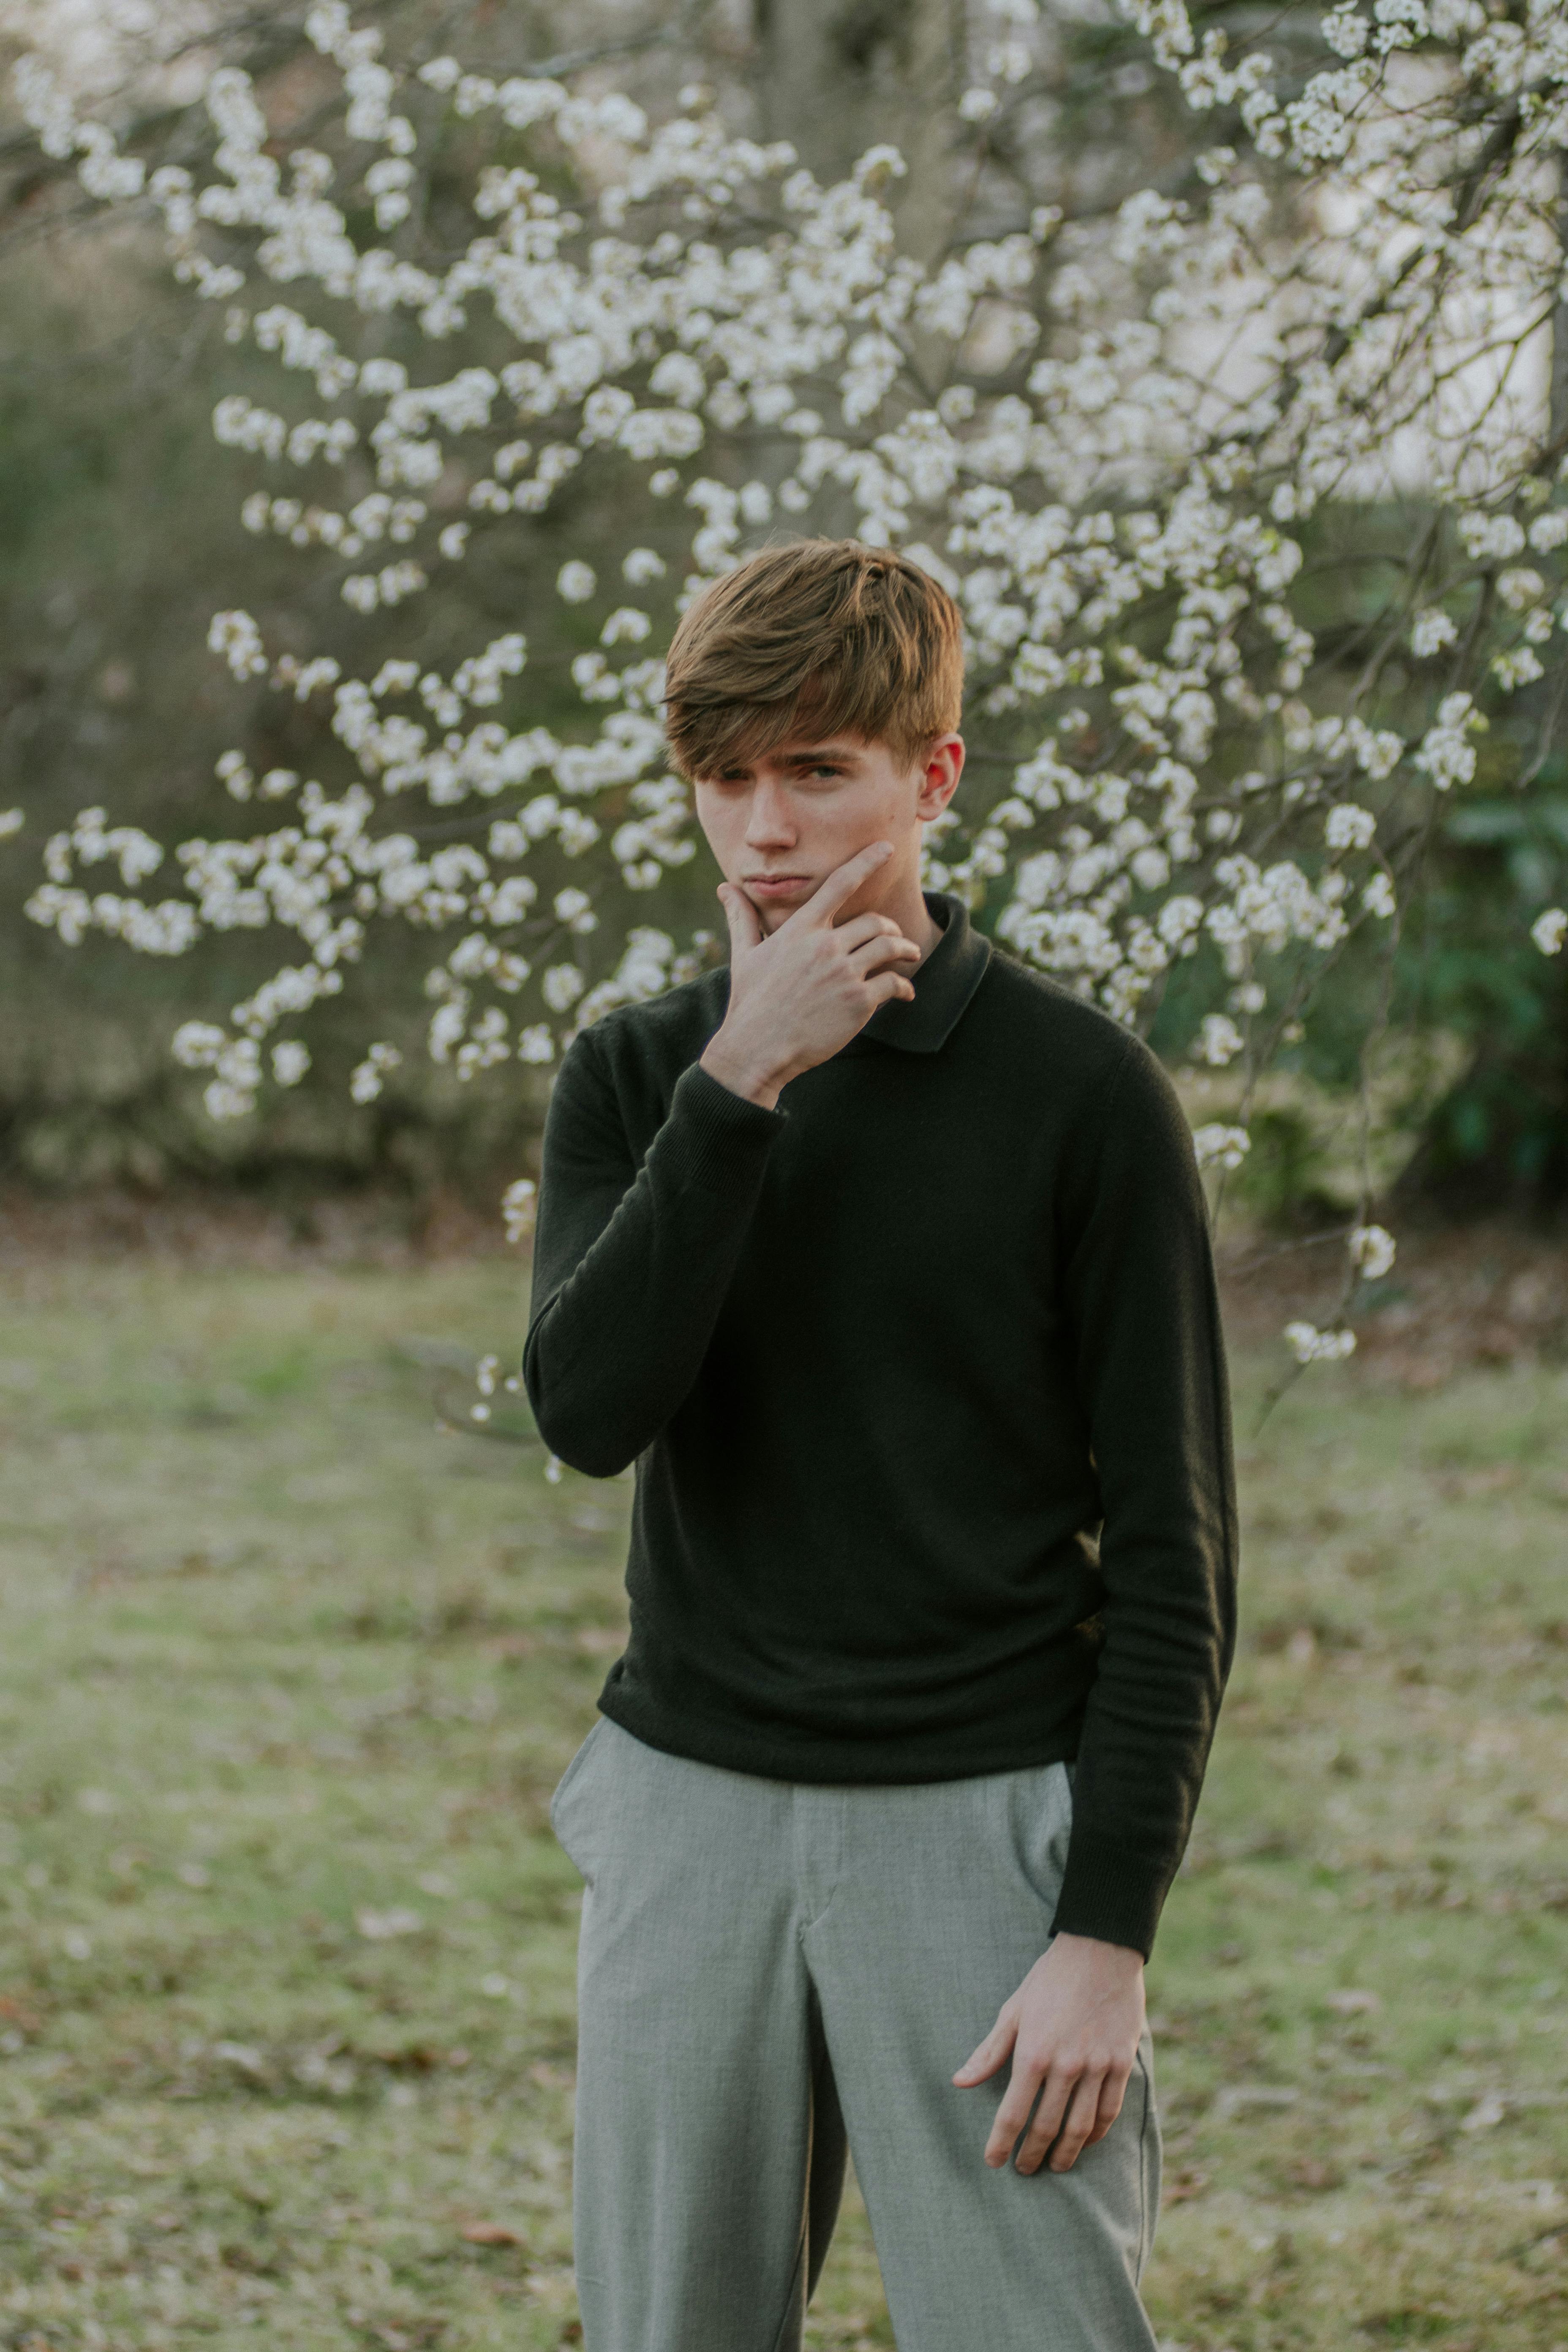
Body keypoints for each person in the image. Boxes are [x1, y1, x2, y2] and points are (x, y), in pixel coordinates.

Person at [523, 539, 1237, 2352]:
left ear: (933, 776)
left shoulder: (1083, 1100)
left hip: (982, 1835)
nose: (764, 829)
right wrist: (738, 1087)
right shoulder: (636, 1078)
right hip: (690, 1813)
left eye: (818, 772)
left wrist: (1106, 1936)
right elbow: (587, 1413)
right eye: (725, 776)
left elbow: (1173, 1555)